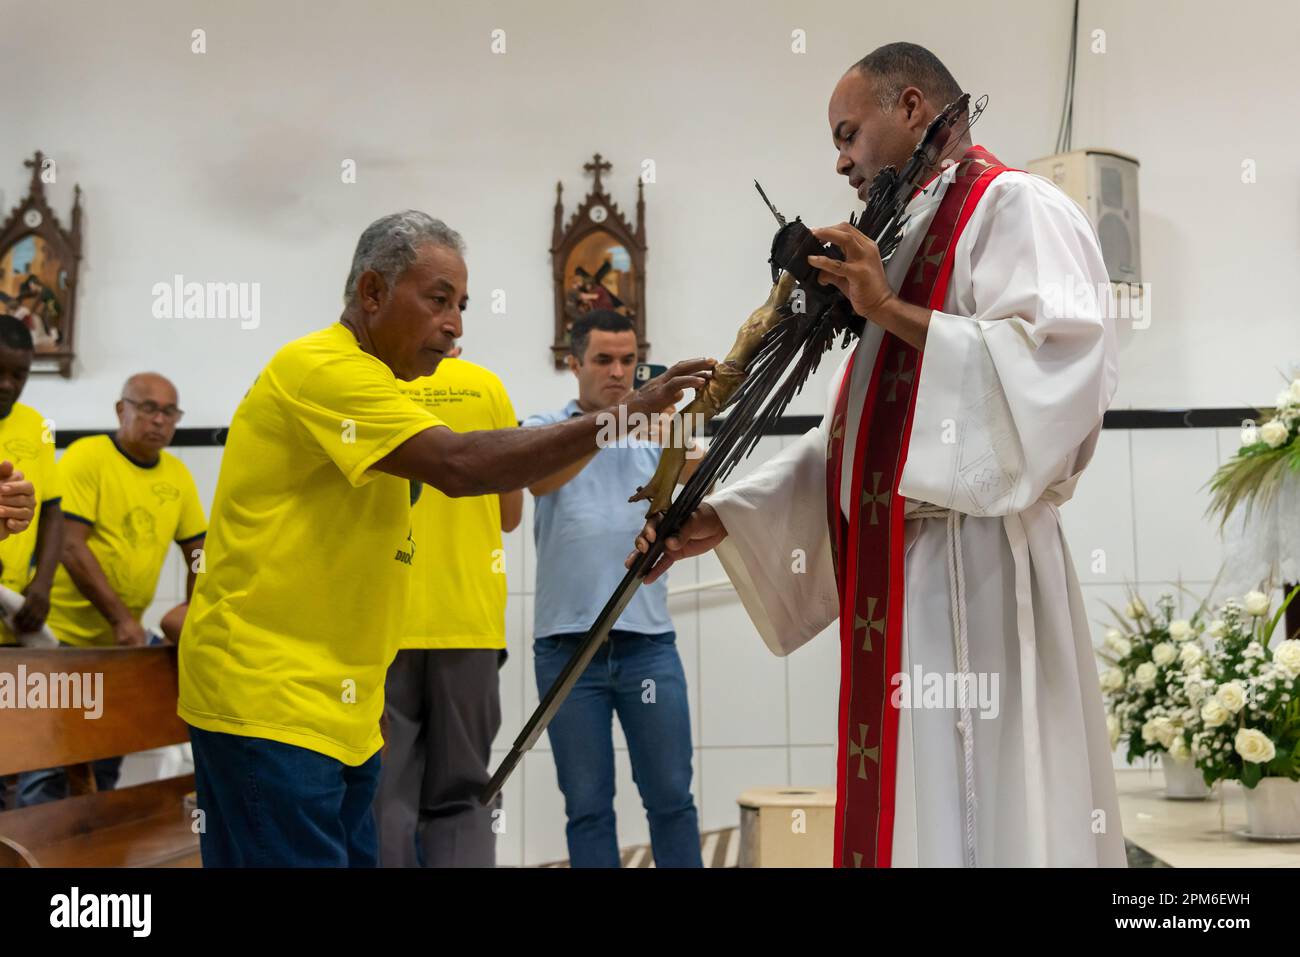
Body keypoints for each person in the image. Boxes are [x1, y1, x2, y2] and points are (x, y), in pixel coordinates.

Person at [632, 43, 1124, 867]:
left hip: (979, 571)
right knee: (917, 807)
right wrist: (721, 515)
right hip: (905, 575)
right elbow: (860, 437)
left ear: (910, 106)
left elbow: (1056, 369)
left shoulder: (1014, 206)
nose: (840, 160)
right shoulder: (902, 237)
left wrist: (889, 308)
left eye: (848, 133)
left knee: (983, 802)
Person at [177, 211, 713, 867]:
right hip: (267, 704)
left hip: (337, 709)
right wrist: (628, 411)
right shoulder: (320, 368)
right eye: (437, 300)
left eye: (461, 305)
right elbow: (463, 466)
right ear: (372, 293)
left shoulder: (386, 389)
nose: (456, 323)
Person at [526, 310, 704, 867]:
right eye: (603, 359)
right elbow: (539, 477)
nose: (619, 371)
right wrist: (615, 425)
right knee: (586, 806)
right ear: (573, 362)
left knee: (672, 799)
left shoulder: (655, 431)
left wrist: (673, 438)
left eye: (628, 360)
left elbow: (704, 484)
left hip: (646, 646)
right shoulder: (544, 427)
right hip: (566, 650)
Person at [19, 372, 205, 806]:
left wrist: (194, 614)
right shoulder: (89, 457)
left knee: (104, 758)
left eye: (169, 412)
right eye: (148, 408)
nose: (160, 420)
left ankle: (86, 858)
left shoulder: (177, 474)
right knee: (46, 764)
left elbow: (199, 549)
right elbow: (69, 544)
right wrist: (122, 618)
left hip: (122, 646)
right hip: (60, 641)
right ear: (121, 409)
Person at [376, 353, 522, 867]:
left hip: (383, 624)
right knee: (463, 792)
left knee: (387, 792)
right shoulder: (487, 386)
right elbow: (510, 516)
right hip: (468, 619)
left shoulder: (375, 383)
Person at [0, 315, 62, 646]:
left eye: (18, 374)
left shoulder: (38, 425)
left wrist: (42, 585)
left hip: (13, 613)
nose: (7, 384)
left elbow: (52, 510)